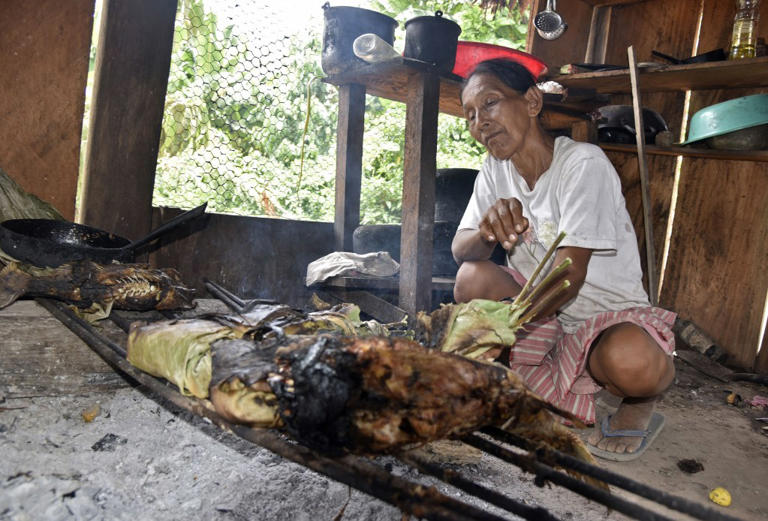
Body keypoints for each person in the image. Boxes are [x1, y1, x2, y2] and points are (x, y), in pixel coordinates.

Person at [452, 58, 676, 460]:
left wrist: (504, 326)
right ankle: (517, 379)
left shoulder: (582, 164)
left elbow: (568, 275)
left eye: (490, 103)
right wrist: (487, 231)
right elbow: (460, 250)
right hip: (545, 318)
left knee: (631, 364)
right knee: (473, 277)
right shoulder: (493, 169)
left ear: (533, 101)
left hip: (607, 320)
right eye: (469, 115)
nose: (479, 122)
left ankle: (641, 399)